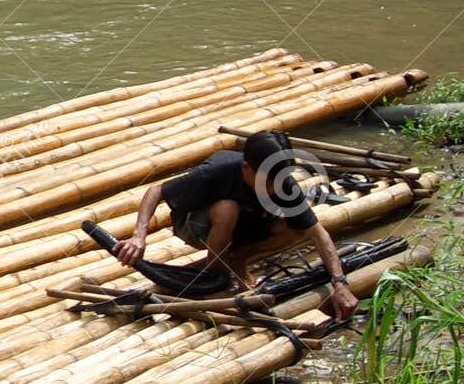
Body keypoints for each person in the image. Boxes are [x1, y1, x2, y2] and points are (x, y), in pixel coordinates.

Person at [113, 130, 358, 320]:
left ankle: (237, 259)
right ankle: (214, 276)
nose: (273, 189)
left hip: (244, 225)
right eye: (267, 182)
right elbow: (156, 190)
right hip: (196, 225)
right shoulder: (217, 171)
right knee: (227, 207)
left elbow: (319, 234)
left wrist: (339, 283)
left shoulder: (282, 184)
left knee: (296, 228)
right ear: (246, 168)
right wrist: (139, 235)